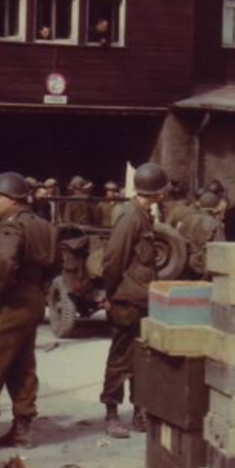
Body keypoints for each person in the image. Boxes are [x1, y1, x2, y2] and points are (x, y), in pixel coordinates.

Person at [0, 172, 58, 450]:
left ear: (12, 198)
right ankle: (22, 431)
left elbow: (5, 260)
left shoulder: (10, 227)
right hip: (32, 301)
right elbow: (56, 263)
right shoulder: (44, 226)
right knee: (22, 365)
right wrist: (39, 289)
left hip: (10, 301)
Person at [100, 162, 168, 439]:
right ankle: (112, 414)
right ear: (155, 191)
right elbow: (113, 259)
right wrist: (111, 293)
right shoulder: (130, 218)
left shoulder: (143, 215)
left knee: (142, 359)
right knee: (120, 359)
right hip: (126, 302)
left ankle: (140, 411)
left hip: (141, 300)